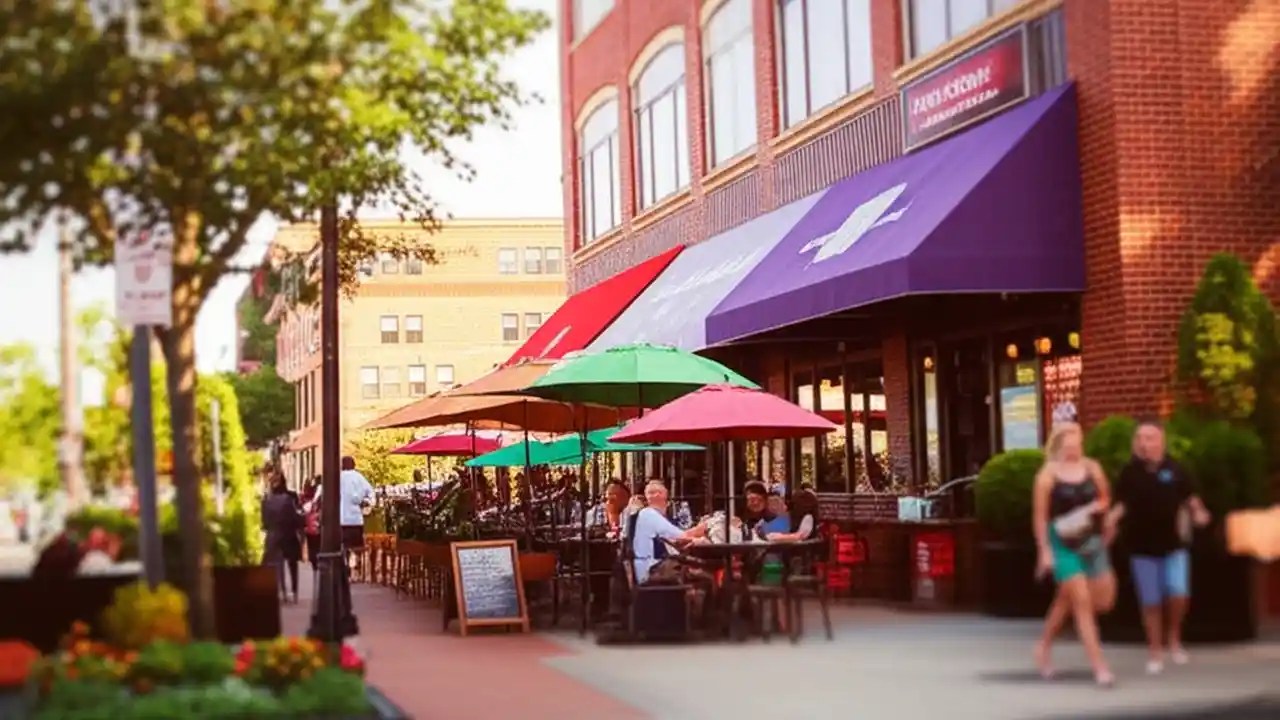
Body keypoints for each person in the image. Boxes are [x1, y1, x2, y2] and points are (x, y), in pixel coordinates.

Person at [1109, 419, 1210, 674]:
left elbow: (1191, 498)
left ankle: (1173, 638)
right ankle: (1155, 650)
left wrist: (1199, 513)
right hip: (1141, 547)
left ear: (1161, 440)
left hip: (1173, 545)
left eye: (1149, 438)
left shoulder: (1176, 469)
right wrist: (1111, 519)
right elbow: (1121, 503)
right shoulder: (1129, 473)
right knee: (1151, 601)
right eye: (1140, 438)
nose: (1144, 443)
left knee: (1179, 593)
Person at [1032, 422, 1116, 687]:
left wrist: (1103, 517)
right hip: (1062, 542)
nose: (1073, 450)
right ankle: (1099, 667)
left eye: (1077, 444)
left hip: (1091, 540)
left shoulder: (1093, 469)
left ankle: (1043, 644)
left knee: (1101, 601)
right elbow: (1040, 518)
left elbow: (1105, 499)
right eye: (1068, 446)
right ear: (1059, 445)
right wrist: (1044, 551)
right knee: (1080, 601)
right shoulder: (1048, 475)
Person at [630, 481, 706, 585]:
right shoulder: (648, 514)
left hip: (656, 567)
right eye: (652, 492)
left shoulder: (658, 516)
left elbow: (676, 539)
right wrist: (704, 527)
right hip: (652, 571)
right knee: (702, 576)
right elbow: (681, 537)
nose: (655, 495)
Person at [262, 470, 303, 604]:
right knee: (293, 565)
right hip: (289, 535)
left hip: (274, 536)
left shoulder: (266, 500)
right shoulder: (291, 496)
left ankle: (283, 592)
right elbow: (296, 517)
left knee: (278, 565)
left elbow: (264, 522)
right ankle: (295, 592)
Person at [339, 456, 374, 554]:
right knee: (357, 549)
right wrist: (366, 503)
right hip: (356, 519)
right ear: (353, 465)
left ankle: (346, 565)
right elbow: (371, 493)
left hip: (341, 519)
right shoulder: (359, 477)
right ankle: (357, 564)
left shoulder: (338, 477)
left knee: (343, 548)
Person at [301, 476, 321, 565]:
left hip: (310, 528)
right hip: (316, 527)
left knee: (312, 547)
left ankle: (312, 559)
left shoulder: (307, 501)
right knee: (316, 546)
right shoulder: (316, 499)